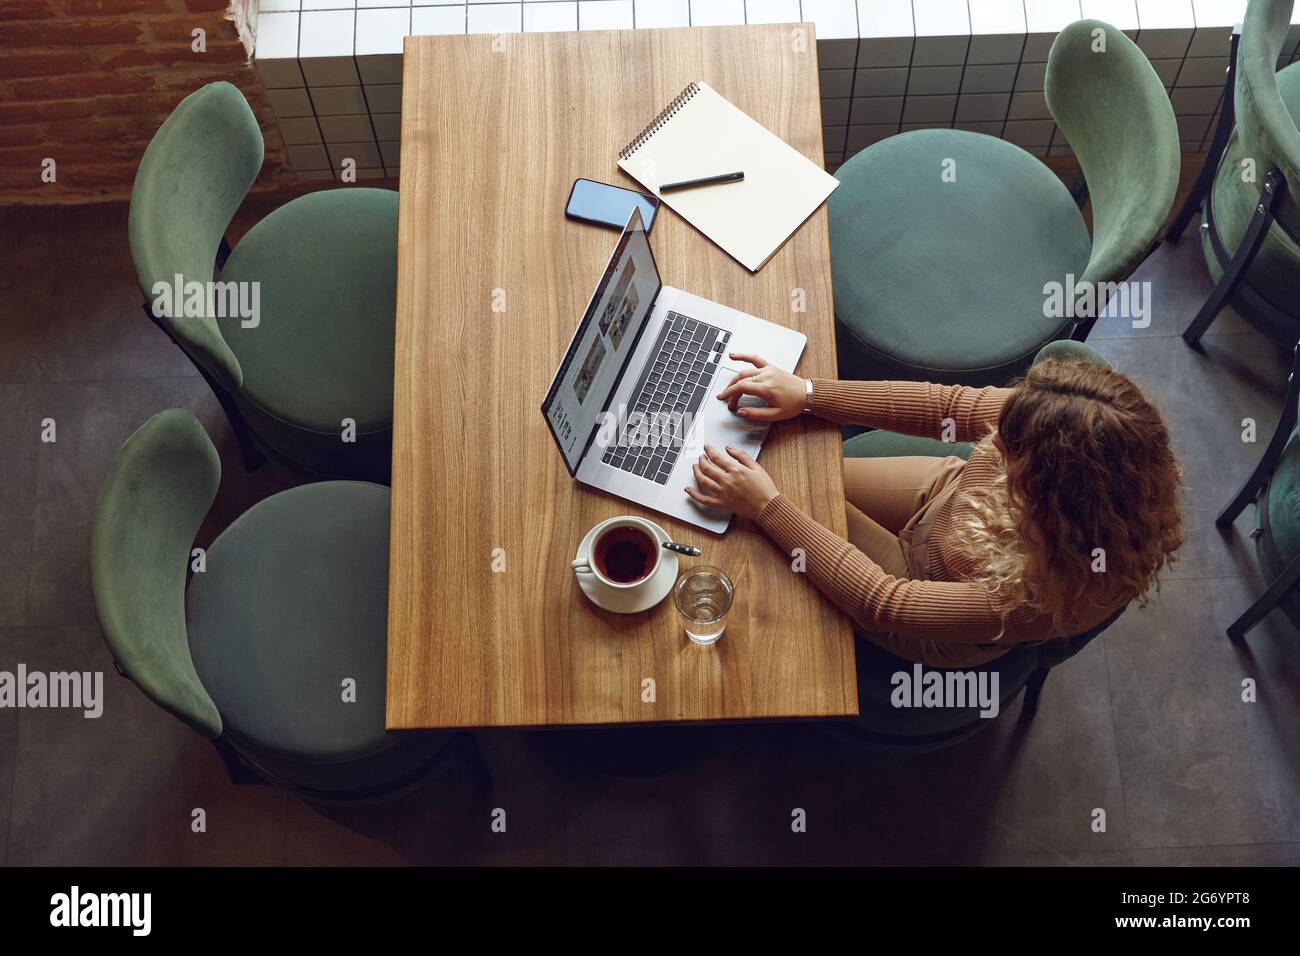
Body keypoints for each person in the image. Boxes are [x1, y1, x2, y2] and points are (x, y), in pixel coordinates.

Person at [685, 352, 1183, 667]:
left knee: (770, 508)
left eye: (1009, 458)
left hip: (921, 597)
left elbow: (885, 603)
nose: (994, 439)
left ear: (1047, 498)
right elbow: (949, 408)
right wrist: (811, 394)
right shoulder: (1054, 423)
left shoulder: (1033, 598)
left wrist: (770, 509)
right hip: (942, 500)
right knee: (788, 471)